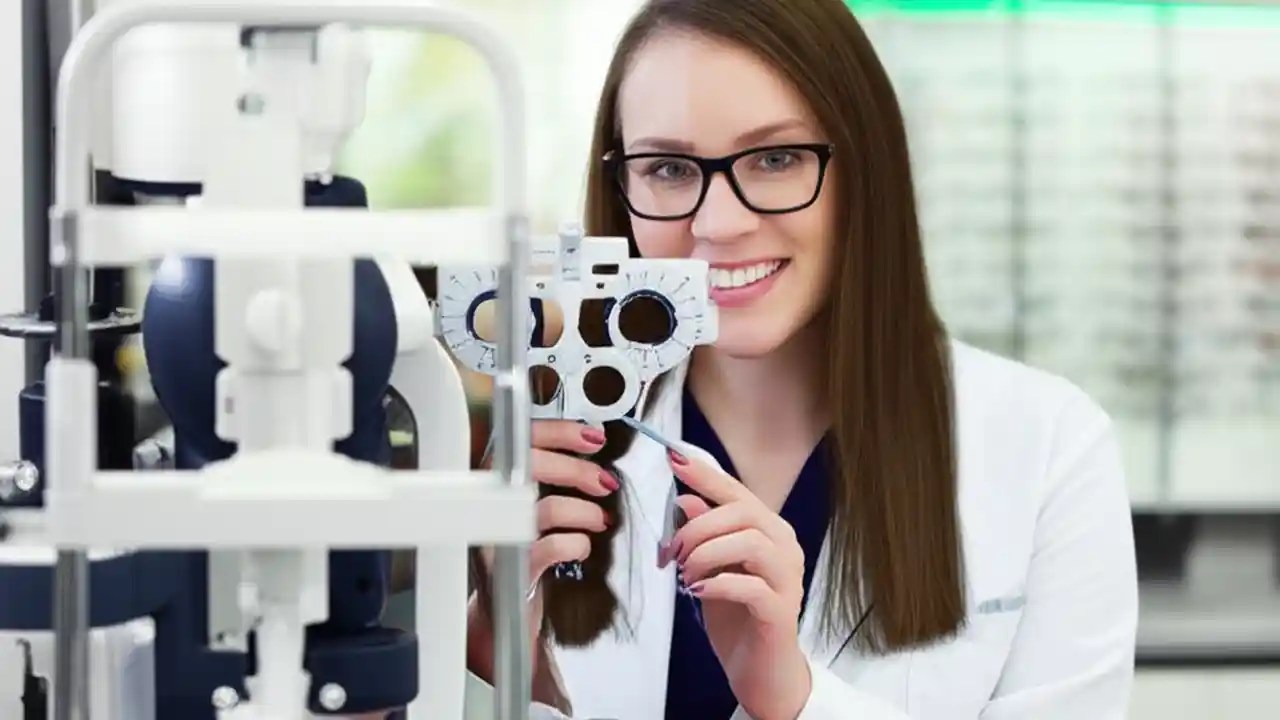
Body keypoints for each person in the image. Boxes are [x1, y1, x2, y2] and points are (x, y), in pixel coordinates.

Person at [465, 0, 1139, 718]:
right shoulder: (555, 443)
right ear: (620, 186)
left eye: (777, 159)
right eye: (667, 167)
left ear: (863, 169)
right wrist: (498, 653)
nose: (719, 224)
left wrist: (795, 699)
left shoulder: (1050, 446)